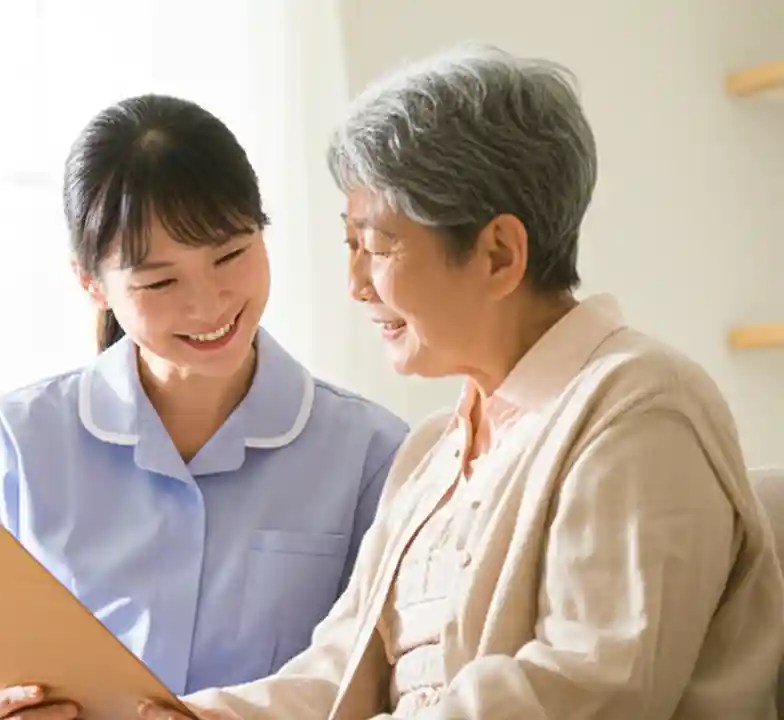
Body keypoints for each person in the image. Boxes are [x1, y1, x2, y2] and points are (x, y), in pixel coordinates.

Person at [139, 45, 784, 720]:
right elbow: (337, 674)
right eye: (348, 244)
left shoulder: (641, 411)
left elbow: (587, 686)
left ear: (498, 253)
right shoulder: (429, 453)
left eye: (377, 245)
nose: (355, 284)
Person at [0, 94, 408, 717]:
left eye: (230, 255)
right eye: (160, 282)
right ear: (91, 283)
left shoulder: (371, 454)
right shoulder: (20, 438)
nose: (209, 304)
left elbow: (389, 686)